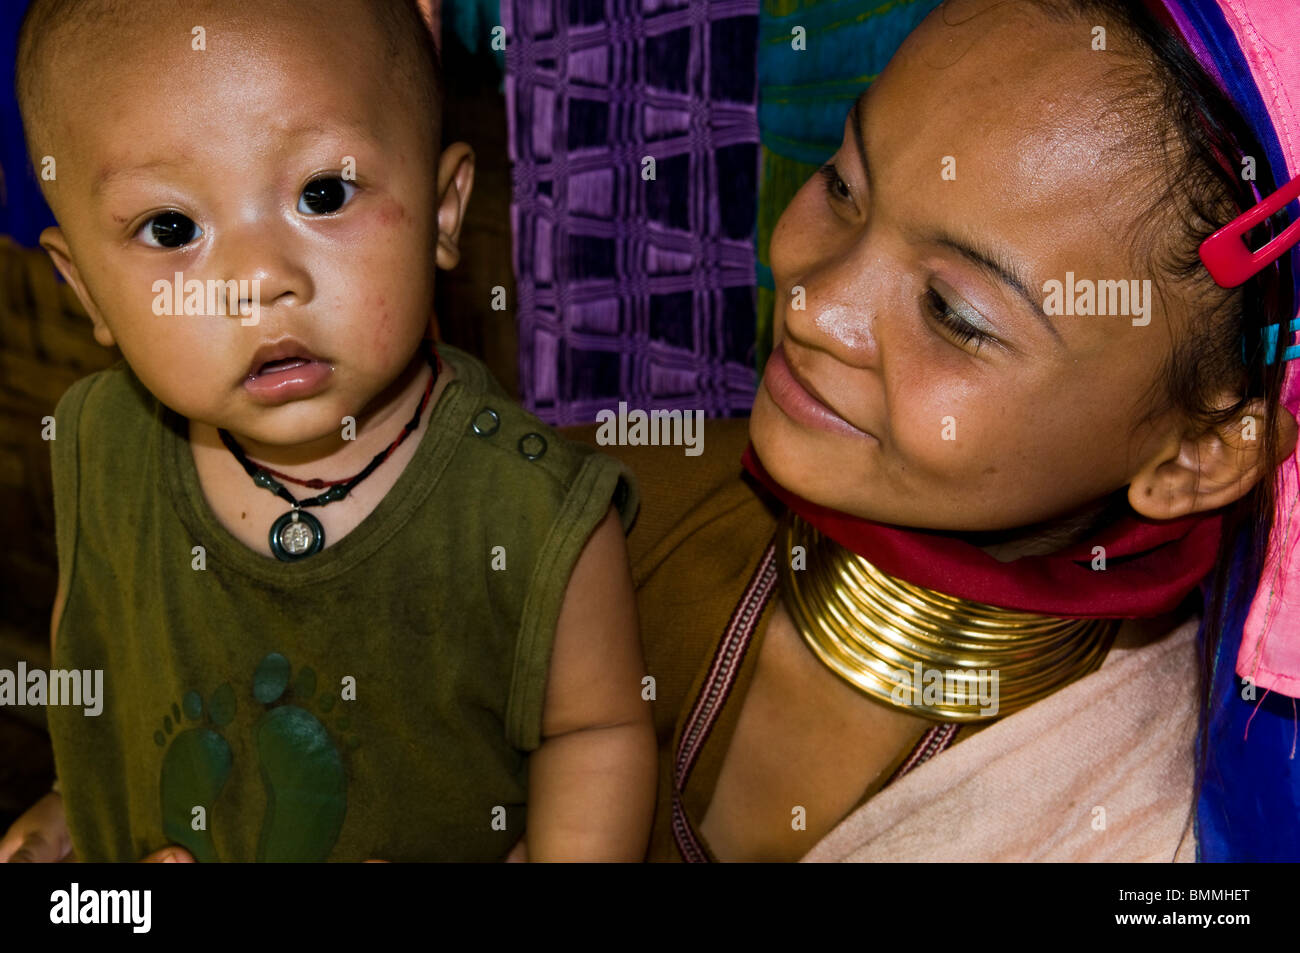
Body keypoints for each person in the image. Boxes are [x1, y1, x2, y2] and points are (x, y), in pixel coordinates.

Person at [568, 0, 1300, 861]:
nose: (813, 306)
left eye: (952, 313)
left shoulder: (1147, 840)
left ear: (1195, 454)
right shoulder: (580, 516)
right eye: (843, 185)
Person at [0, 0, 656, 863]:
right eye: (171, 229)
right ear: (87, 291)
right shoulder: (98, 441)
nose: (260, 278)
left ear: (445, 210)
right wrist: (74, 798)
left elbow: (597, 732)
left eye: (323, 193)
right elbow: (102, 647)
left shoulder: (531, 510)